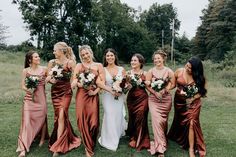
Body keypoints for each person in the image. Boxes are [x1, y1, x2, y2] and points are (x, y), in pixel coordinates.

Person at [46, 42, 81, 157]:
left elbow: (75, 77)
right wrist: (50, 80)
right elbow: (49, 76)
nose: (53, 52)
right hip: (55, 92)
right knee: (59, 117)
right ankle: (65, 137)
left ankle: (58, 146)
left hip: (66, 92)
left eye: (55, 50)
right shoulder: (52, 62)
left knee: (61, 115)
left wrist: (75, 83)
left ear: (61, 51)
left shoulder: (70, 63)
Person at [167, 57, 207, 157]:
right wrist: (165, 88)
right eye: (187, 65)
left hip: (193, 104)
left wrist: (193, 98)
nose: (187, 68)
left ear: (196, 69)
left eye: (190, 68)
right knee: (180, 120)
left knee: (192, 122)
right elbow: (173, 84)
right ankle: (180, 138)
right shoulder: (179, 71)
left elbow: (202, 92)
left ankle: (191, 149)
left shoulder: (200, 78)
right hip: (179, 102)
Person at [71, 45, 103, 157]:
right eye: (82, 55)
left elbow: (102, 81)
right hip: (81, 95)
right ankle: (87, 147)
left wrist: (95, 92)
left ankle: (91, 141)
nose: (85, 56)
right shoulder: (79, 65)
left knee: (93, 122)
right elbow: (74, 79)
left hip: (93, 95)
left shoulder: (98, 65)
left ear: (91, 52)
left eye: (86, 53)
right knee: (82, 120)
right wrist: (80, 84)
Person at [16, 51, 49, 157]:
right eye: (36, 57)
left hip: (41, 99)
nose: (38, 58)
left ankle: (42, 139)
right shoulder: (26, 71)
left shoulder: (44, 69)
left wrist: (49, 79)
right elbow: (22, 86)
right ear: (30, 60)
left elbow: (52, 79)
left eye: (38, 56)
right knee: (26, 121)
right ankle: (23, 148)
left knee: (42, 118)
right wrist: (29, 90)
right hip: (29, 99)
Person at [145, 50, 175, 157]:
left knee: (163, 121)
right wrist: (154, 92)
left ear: (163, 59)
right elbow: (147, 85)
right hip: (153, 100)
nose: (156, 60)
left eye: (158, 58)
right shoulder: (150, 71)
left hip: (166, 99)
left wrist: (165, 90)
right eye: (155, 58)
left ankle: (163, 139)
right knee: (157, 121)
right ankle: (160, 149)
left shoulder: (169, 71)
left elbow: (173, 84)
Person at [96, 48, 127, 151]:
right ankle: (109, 140)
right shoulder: (103, 69)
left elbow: (125, 83)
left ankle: (117, 134)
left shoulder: (121, 69)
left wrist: (121, 90)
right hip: (108, 96)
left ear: (115, 56)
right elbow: (100, 83)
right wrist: (111, 90)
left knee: (117, 115)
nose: (109, 57)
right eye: (108, 55)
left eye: (111, 55)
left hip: (119, 97)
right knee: (109, 114)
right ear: (105, 57)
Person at [125, 53, 150, 151]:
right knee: (133, 118)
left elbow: (149, 87)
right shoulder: (127, 73)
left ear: (140, 62)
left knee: (141, 117)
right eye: (131, 60)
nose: (132, 62)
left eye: (135, 60)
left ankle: (140, 139)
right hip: (131, 99)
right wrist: (128, 86)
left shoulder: (145, 73)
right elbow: (124, 90)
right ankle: (133, 136)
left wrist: (145, 83)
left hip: (142, 98)